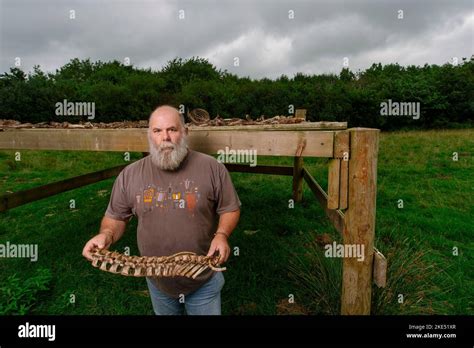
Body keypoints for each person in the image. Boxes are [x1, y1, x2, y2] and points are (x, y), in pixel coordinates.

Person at [82, 105, 241, 315]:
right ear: (149, 135)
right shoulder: (130, 174)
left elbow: (230, 207)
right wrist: (106, 235)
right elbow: (116, 217)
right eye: (157, 131)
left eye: (172, 129)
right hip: (158, 281)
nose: (165, 137)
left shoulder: (212, 168)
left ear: (185, 132)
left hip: (203, 278)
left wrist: (222, 235)